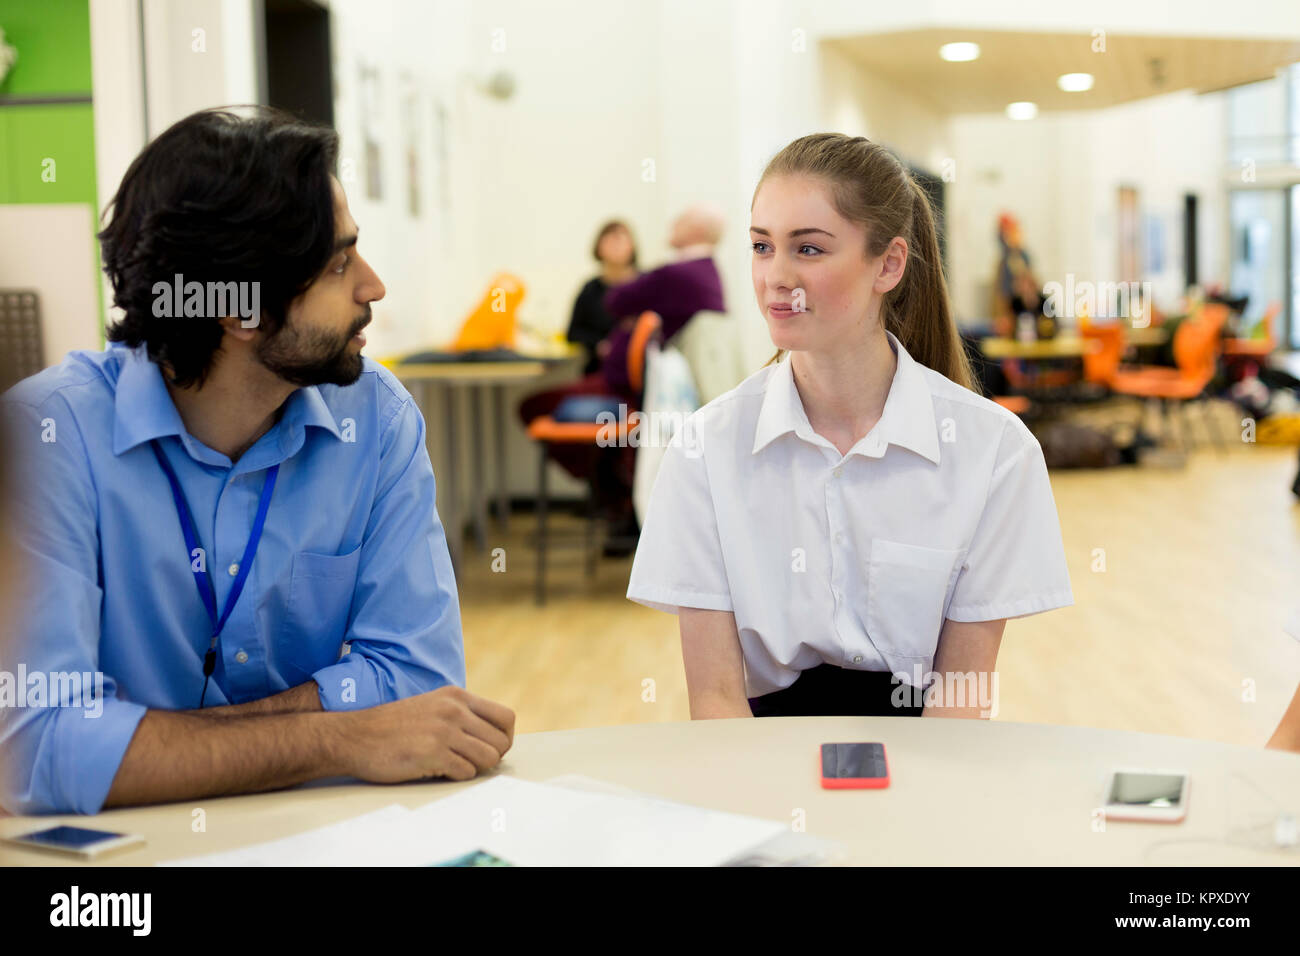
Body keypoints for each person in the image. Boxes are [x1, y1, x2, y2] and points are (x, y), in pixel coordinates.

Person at [0, 107, 514, 815]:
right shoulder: (45, 439)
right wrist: (340, 738)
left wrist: (152, 745)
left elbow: (418, 681)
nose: (372, 286)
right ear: (241, 311)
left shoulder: (378, 418)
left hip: (324, 837)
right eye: (339, 264)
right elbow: (38, 746)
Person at [627, 133, 1074, 719]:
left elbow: (961, 698)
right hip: (757, 762)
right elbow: (714, 698)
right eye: (762, 247)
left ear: (888, 264)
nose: (776, 277)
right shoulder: (705, 449)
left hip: (931, 761)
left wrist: (911, 809)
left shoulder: (994, 451)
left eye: (808, 250)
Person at [566, 220, 638, 374]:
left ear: (632, 247)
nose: (615, 245)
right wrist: (598, 345)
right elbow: (573, 332)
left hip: (638, 374)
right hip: (600, 371)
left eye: (621, 239)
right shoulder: (590, 289)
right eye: (609, 239)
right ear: (598, 248)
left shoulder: (647, 285)